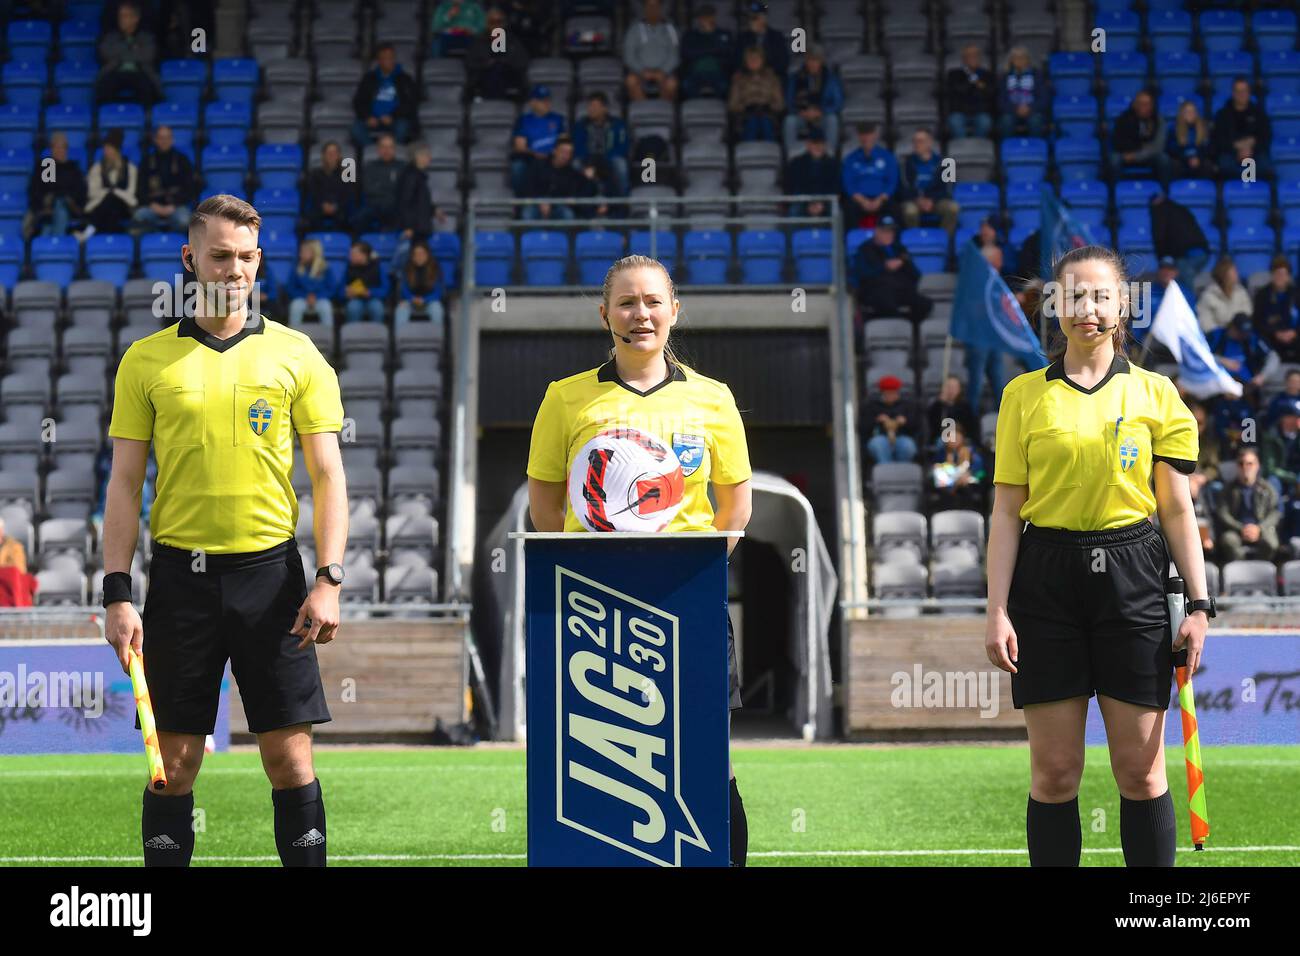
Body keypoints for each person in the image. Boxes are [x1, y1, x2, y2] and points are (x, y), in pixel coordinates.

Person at [102, 194, 346, 868]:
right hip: (181, 578)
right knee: (174, 766)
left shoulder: (298, 357)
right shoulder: (145, 362)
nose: (233, 269)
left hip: (271, 578)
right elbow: (123, 483)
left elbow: (328, 475)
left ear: (258, 260)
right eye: (219, 256)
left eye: (245, 257)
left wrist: (328, 578)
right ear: (189, 259)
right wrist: (117, 592)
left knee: (288, 757)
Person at [525, 254, 753, 866]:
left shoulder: (713, 399)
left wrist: (695, 570)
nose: (641, 314)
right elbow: (544, 503)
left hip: (691, 601)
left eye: (653, 301)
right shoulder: (566, 398)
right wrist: (594, 563)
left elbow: (735, 504)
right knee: (604, 758)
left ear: (674, 312)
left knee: (709, 757)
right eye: (627, 302)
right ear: (605, 315)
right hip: (595, 606)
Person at [987, 243, 1210, 868]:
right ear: (1055, 306)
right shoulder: (1022, 397)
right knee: (1055, 774)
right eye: (1073, 295)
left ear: (1123, 306)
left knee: (1140, 774)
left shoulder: (1159, 395)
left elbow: (1175, 510)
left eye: (1101, 295)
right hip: (1046, 579)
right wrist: (997, 610)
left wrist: (1199, 604)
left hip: (1134, 575)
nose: (1087, 308)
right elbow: (1006, 512)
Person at [852, 216, 931, 322]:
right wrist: (884, 267)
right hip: (876, 291)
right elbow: (861, 274)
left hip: (900, 290)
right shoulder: (865, 249)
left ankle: (912, 328)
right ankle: (899, 328)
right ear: (877, 231)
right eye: (885, 231)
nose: (889, 235)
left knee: (925, 304)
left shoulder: (899, 248)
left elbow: (916, 275)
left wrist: (904, 262)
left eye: (891, 231)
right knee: (887, 304)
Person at [1214, 446, 1280, 561]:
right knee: (1228, 540)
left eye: (1250, 463)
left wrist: (1259, 528)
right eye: (1241, 463)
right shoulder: (1228, 489)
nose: (1245, 467)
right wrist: (1241, 528)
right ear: (1237, 466)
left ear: (1257, 465)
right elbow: (1223, 513)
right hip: (1236, 530)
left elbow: (1275, 512)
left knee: (1271, 542)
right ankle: (1240, 571)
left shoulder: (1267, 489)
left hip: (1261, 529)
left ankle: (1259, 570)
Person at [351, 43, 418, 148]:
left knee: (402, 128)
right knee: (356, 129)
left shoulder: (405, 79)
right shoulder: (369, 78)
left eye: (391, 58)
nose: (389, 61)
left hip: (395, 119)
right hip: (373, 119)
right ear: (379, 61)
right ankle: (374, 152)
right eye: (385, 58)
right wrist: (368, 116)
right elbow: (358, 102)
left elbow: (411, 103)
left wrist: (393, 116)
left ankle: (391, 152)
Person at [133, 124, 196, 234]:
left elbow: (190, 188)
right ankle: (154, 245)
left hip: (176, 207)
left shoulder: (182, 160)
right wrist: (152, 205)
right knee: (139, 217)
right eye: (161, 138)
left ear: (172, 140)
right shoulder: (146, 161)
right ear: (155, 140)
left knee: (185, 221)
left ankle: (175, 245)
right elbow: (140, 189)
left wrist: (174, 205)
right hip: (152, 207)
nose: (164, 141)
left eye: (167, 138)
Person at [96, 0, 161, 105]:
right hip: (115, 70)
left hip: (140, 71)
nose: (123, 20)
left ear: (136, 18)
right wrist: (133, 50)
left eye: (127, 16)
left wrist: (121, 53)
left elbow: (148, 56)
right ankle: (107, 118)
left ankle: (146, 118)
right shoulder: (111, 37)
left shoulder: (146, 37)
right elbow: (106, 53)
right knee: (105, 87)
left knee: (146, 88)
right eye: (122, 16)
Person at [1208, 312, 1279, 405]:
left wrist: (1262, 376)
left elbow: (1273, 357)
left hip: (1247, 387)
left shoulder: (1252, 338)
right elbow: (1198, 355)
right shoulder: (1216, 335)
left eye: (1246, 332)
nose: (1244, 335)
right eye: (1240, 332)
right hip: (1218, 385)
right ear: (1232, 327)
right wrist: (1221, 360)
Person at [25, 131, 87, 239]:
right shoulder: (47, 165)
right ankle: (52, 247)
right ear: (51, 149)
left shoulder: (73, 168)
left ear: (66, 149)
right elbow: (38, 189)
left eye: (61, 147)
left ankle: (51, 246)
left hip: (68, 207)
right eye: (55, 147)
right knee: (51, 217)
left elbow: (80, 191)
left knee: (61, 206)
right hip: (46, 207)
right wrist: (46, 201)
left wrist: (66, 197)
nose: (58, 150)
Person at [783, 45, 843, 154]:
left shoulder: (830, 78)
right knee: (790, 121)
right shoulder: (796, 77)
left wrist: (821, 111)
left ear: (821, 61)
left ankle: (829, 153)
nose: (812, 64)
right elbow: (789, 100)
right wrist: (801, 112)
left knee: (832, 119)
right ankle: (791, 154)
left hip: (822, 114)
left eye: (816, 60)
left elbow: (837, 102)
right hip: (802, 114)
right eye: (810, 60)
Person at [522, 135, 599, 220]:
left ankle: (562, 234)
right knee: (528, 213)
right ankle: (534, 234)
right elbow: (528, 187)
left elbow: (577, 194)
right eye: (563, 152)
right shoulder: (538, 165)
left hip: (557, 206)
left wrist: (589, 179)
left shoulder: (572, 173)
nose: (566, 156)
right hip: (536, 204)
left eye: (569, 153)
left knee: (568, 214)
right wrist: (540, 201)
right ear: (554, 151)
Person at [899, 128, 958, 234]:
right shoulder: (905, 163)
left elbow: (949, 189)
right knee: (909, 211)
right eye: (914, 141)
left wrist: (932, 200)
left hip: (937, 201)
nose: (916, 144)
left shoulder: (947, 162)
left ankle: (944, 242)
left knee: (953, 208)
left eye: (920, 141)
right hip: (914, 201)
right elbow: (903, 187)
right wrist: (918, 200)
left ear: (929, 142)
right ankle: (915, 242)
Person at [1149, 191, 1208, 295]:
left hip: (1189, 253)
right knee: (1181, 274)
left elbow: (1159, 237)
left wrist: (1162, 260)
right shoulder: (1180, 208)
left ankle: (1189, 302)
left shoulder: (1159, 213)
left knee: (1182, 273)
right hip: (1201, 252)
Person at [572, 92, 630, 198]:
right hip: (588, 159)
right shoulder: (581, 125)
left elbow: (623, 146)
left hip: (609, 158)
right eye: (589, 106)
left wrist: (605, 159)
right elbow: (578, 146)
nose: (591, 109)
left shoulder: (617, 124)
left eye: (595, 106)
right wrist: (590, 162)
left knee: (620, 164)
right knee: (575, 164)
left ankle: (623, 200)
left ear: (604, 108)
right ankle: (578, 201)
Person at [1212, 78, 1272, 180]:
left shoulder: (1259, 113)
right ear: (1233, 93)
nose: (1241, 94)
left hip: (1254, 151)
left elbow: (1266, 137)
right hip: (1230, 152)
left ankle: (1252, 190)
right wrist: (1236, 146)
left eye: (1244, 91)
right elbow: (1218, 139)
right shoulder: (1222, 114)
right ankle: (1234, 192)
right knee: (1225, 165)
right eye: (1238, 91)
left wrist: (1251, 147)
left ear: (1249, 92)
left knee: (1264, 165)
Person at [510, 85, 565, 195]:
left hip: (553, 158)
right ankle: (521, 202)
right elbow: (519, 146)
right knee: (517, 167)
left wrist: (554, 153)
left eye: (548, 99)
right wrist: (536, 154)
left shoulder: (558, 119)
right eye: (542, 100)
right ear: (532, 103)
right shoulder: (524, 120)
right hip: (531, 159)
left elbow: (564, 141)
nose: (546, 103)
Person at [465, 5, 528, 101]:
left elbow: (522, 62)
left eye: (499, 22)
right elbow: (470, 63)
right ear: (487, 24)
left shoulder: (512, 40)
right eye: (492, 22)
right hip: (483, 78)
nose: (496, 25)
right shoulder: (479, 41)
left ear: (504, 23)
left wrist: (505, 62)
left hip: (508, 78)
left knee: (499, 69)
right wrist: (486, 64)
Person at [841, 122, 898, 228]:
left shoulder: (887, 157)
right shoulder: (851, 159)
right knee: (848, 208)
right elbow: (848, 185)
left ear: (875, 135)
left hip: (881, 199)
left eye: (869, 134)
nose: (866, 137)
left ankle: (894, 242)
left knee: (894, 207)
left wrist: (879, 200)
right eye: (863, 134)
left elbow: (892, 182)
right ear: (858, 136)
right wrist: (863, 201)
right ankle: (852, 242)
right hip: (859, 201)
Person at [1108, 90, 1170, 187]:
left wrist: (1136, 155)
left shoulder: (1158, 120)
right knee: (1113, 159)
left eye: (1147, 104)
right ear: (1135, 105)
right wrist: (1139, 148)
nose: (1144, 107)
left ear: (1152, 106)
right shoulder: (1123, 119)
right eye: (1141, 104)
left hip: (1147, 155)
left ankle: (1164, 194)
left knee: (1164, 159)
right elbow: (1118, 142)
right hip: (1126, 154)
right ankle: (1114, 194)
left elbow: (1158, 147)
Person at [622, 0, 680, 102]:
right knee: (630, 81)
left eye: (655, 6)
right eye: (649, 6)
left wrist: (663, 71)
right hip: (640, 72)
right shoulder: (634, 29)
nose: (653, 10)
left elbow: (675, 55)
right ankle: (643, 110)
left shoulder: (670, 29)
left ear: (660, 9)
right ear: (645, 9)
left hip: (664, 73)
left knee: (672, 84)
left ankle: (663, 113)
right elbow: (629, 56)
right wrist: (642, 71)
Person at [85, 129, 139, 235]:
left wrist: (114, 192)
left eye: (109, 148)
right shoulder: (97, 168)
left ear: (117, 150)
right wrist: (109, 193)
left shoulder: (130, 168)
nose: (106, 151)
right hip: (100, 206)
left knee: (112, 200)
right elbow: (92, 193)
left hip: (124, 208)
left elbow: (131, 194)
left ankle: (90, 230)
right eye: (105, 148)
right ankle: (112, 238)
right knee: (110, 202)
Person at [727, 45, 783, 143]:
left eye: (756, 59)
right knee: (752, 122)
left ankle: (770, 152)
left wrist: (768, 108)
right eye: (750, 59)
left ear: (762, 60)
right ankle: (747, 153)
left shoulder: (772, 78)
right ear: (746, 61)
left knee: (764, 122)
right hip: (746, 114)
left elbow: (780, 103)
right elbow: (732, 104)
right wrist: (747, 107)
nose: (753, 62)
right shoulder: (739, 79)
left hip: (768, 114)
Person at [1252, 255, 1300, 364]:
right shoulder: (1262, 295)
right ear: (1272, 275)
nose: (1280, 277)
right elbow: (1257, 322)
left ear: (1288, 276)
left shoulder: (1297, 294)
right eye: (1277, 274)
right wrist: (1276, 333)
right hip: (1271, 337)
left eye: (1283, 274)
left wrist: (1295, 332)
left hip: (1294, 336)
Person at [680, 3, 734, 100]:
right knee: (686, 85)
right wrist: (713, 50)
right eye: (703, 17)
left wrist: (710, 37)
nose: (706, 19)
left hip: (718, 72)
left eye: (709, 16)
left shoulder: (724, 34)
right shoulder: (690, 35)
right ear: (699, 19)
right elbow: (687, 53)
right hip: (695, 72)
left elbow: (727, 53)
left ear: (714, 17)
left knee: (724, 86)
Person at [862, 374, 918, 464]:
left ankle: (902, 471)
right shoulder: (872, 406)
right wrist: (876, 420)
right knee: (877, 444)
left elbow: (917, 426)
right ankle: (885, 471)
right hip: (881, 437)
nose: (890, 396)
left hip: (901, 437)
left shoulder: (907, 405)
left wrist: (905, 422)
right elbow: (863, 427)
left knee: (908, 446)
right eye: (887, 393)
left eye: (893, 393)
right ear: (882, 393)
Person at [784, 126, 839, 218]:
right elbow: (794, 186)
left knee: (836, 210)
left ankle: (836, 233)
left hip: (826, 201)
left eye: (820, 143)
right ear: (808, 144)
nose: (817, 146)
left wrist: (822, 204)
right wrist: (808, 204)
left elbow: (835, 187)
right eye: (814, 143)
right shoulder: (796, 163)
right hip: (803, 200)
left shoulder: (833, 164)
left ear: (825, 145)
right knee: (794, 210)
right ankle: (792, 233)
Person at [930, 421, 986, 511]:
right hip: (947, 488)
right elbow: (936, 472)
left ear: (962, 437)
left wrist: (969, 474)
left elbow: (980, 472)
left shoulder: (971, 452)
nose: (952, 439)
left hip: (967, 485)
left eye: (955, 436)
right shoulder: (941, 454)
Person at [304, 141, 359, 233]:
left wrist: (336, 206)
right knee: (311, 218)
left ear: (339, 155)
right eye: (329, 153)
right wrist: (323, 205)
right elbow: (314, 193)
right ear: (323, 156)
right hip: (320, 206)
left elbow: (348, 194)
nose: (331, 156)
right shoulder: (315, 173)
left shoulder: (347, 174)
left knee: (346, 218)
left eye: (334, 153)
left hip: (340, 207)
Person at [355, 133, 404, 232]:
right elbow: (368, 189)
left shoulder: (403, 167)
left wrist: (380, 186)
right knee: (357, 219)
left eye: (390, 147)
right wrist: (390, 188)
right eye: (383, 147)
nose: (386, 150)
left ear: (394, 149)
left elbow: (403, 190)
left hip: (395, 207)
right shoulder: (369, 167)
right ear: (378, 149)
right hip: (374, 206)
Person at [286, 238, 338, 328]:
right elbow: (291, 288)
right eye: (301, 251)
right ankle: (293, 337)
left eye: (304, 252)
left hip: (321, 299)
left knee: (326, 307)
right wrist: (305, 296)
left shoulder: (325, 268)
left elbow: (331, 289)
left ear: (314, 253)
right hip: (302, 298)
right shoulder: (297, 267)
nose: (300, 254)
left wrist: (317, 296)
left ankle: (328, 338)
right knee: (295, 306)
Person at [946, 44, 995, 139]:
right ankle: (962, 150)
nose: (972, 58)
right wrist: (973, 78)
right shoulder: (954, 74)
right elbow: (958, 90)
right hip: (960, 112)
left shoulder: (987, 75)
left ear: (979, 58)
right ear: (963, 59)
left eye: (975, 55)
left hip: (980, 111)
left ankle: (977, 148)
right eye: (969, 56)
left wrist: (974, 81)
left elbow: (989, 93)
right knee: (955, 121)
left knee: (985, 121)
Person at [394, 239, 445, 326]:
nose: (419, 257)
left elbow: (438, 292)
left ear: (427, 255)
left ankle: (436, 338)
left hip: (430, 302)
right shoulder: (407, 268)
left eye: (422, 254)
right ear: (412, 256)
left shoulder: (435, 269)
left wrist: (425, 299)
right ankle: (401, 338)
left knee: (437, 309)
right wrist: (411, 298)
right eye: (416, 254)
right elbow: (404, 289)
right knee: (400, 309)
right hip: (411, 301)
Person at [1197, 255, 1252, 335]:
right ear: (1224, 274)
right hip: (1219, 339)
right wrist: (1226, 332)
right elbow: (1206, 325)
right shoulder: (1208, 296)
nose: (1237, 274)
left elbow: (1247, 313)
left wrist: (1238, 328)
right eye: (1234, 271)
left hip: (1241, 335)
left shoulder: (1241, 292)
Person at [998, 46, 1046, 139]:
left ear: (1027, 60)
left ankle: (1035, 150)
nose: (1019, 60)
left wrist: (1029, 108)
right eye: (1016, 57)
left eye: (1022, 57)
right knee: (1006, 121)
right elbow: (1000, 101)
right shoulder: (1004, 77)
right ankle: (1008, 150)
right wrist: (1016, 108)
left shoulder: (1037, 75)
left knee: (1035, 121)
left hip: (1032, 110)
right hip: (1011, 111)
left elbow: (1044, 99)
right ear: (1011, 60)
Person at [736, 0, 787, 80]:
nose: (751, 22)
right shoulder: (743, 38)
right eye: (750, 18)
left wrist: (768, 71)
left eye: (754, 18)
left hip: (772, 77)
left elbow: (783, 62)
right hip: (748, 77)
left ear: (763, 19)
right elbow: (737, 60)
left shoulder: (777, 37)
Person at [1261, 396, 1300, 500]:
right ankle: (1277, 514)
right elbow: (1270, 468)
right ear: (1285, 418)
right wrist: (1294, 478)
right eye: (1296, 417)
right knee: (1272, 482)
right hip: (1280, 477)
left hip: (1297, 475)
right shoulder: (1271, 436)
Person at [926, 374, 978, 452]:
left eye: (954, 387)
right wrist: (941, 405)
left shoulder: (965, 407)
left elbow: (972, 428)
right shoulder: (937, 406)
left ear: (959, 389)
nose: (951, 390)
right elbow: (932, 427)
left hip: (962, 439)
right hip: (942, 439)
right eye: (948, 387)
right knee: (940, 443)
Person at [1166, 99, 1215, 180]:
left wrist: (1198, 158)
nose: (1190, 114)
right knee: (1174, 165)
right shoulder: (1173, 128)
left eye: (1192, 112)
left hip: (1199, 160)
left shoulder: (1204, 128)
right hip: (1181, 159)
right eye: (1187, 112)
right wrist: (1186, 156)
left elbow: (1209, 148)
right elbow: (1169, 149)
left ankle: (1205, 190)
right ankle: (1177, 190)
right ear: (1182, 114)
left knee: (1208, 165)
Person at [342, 239, 386, 323]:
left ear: (364, 255)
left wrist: (370, 292)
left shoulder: (377, 268)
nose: (350, 256)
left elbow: (385, 289)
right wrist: (346, 292)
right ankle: (352, 335)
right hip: (355, 299)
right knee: (353, 307)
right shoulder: (348, 268)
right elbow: (340, 290)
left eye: (353, 254)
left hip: (373, 299)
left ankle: (377, 335)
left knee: (377, 308)